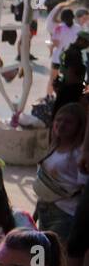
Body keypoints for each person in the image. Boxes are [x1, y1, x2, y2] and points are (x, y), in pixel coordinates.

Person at [34, 103, 88, 242]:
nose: (61, 124)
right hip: (44, 208)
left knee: (54, 252)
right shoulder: (54, 147)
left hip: (65, 213)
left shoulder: (79, 155)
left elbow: (83, 189)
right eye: (58, 120)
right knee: (41, 250)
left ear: (79, 127)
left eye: (68, 122)